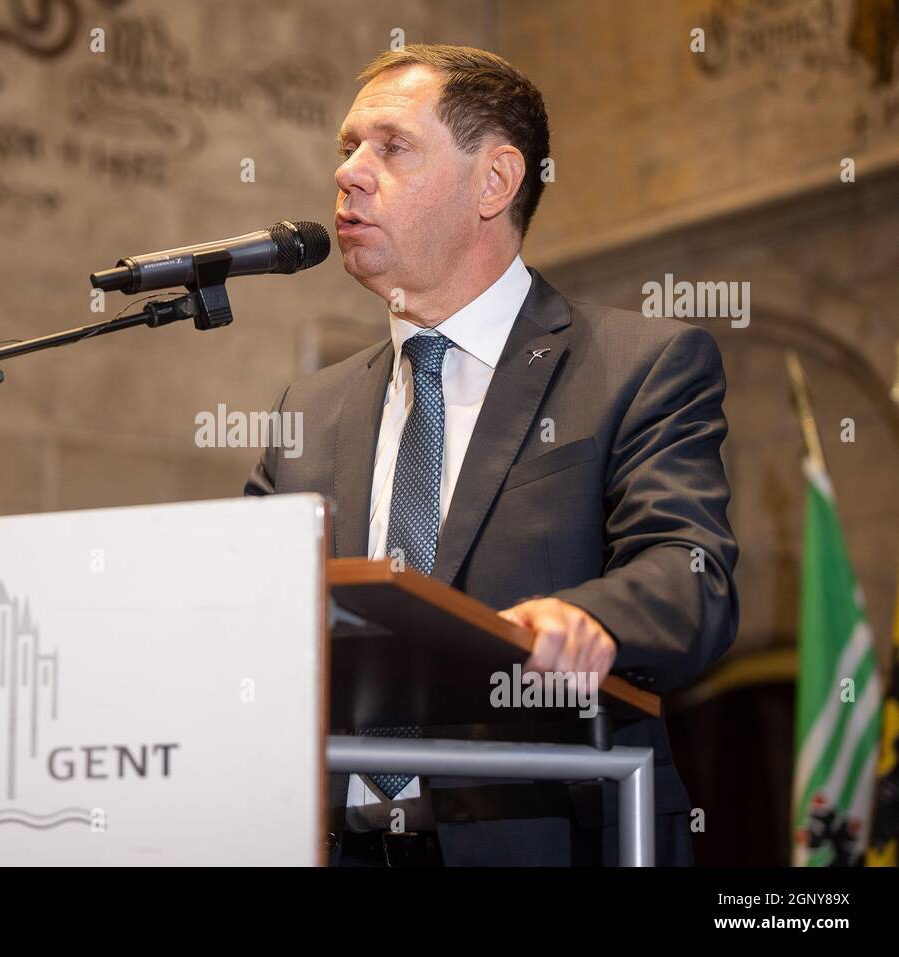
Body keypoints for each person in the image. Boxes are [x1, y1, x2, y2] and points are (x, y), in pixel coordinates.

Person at [244, 44, 739, 866]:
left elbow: (692, 572)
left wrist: (590, 619)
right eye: (347, 148)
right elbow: (250, 608)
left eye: (391, 147)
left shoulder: (637, 364)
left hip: (546, 837)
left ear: (496, 181)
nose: (351, 175)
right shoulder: (311, 407)